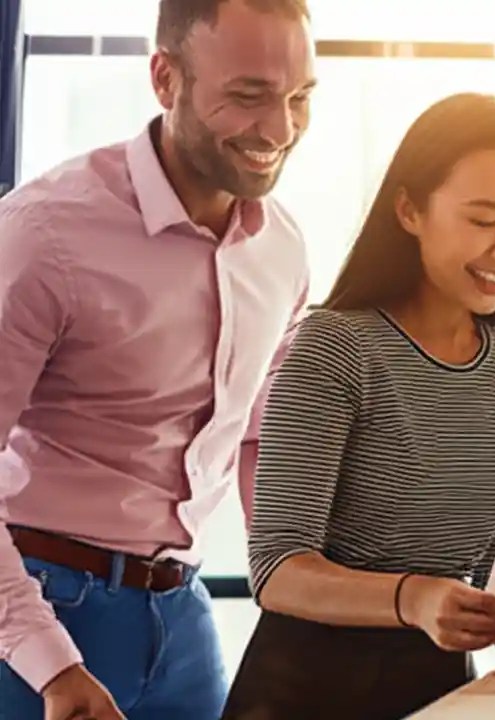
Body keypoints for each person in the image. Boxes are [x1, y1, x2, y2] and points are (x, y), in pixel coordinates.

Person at [219, 93, 495, 720]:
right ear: (409, 209)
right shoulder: (336, 346)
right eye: (483, 220)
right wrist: (415, 599)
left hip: (444, 698)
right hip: (305, 694)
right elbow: (277, 570)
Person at [0, 1, 314, 718]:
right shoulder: (42, 234)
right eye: (249, 96)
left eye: (300, 98)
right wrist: (52, 668)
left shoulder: (283, 250)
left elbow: (261, 440)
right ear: (165, 79)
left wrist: (298, 590)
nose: (282, 129)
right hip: (35, 615)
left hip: (182, 618)